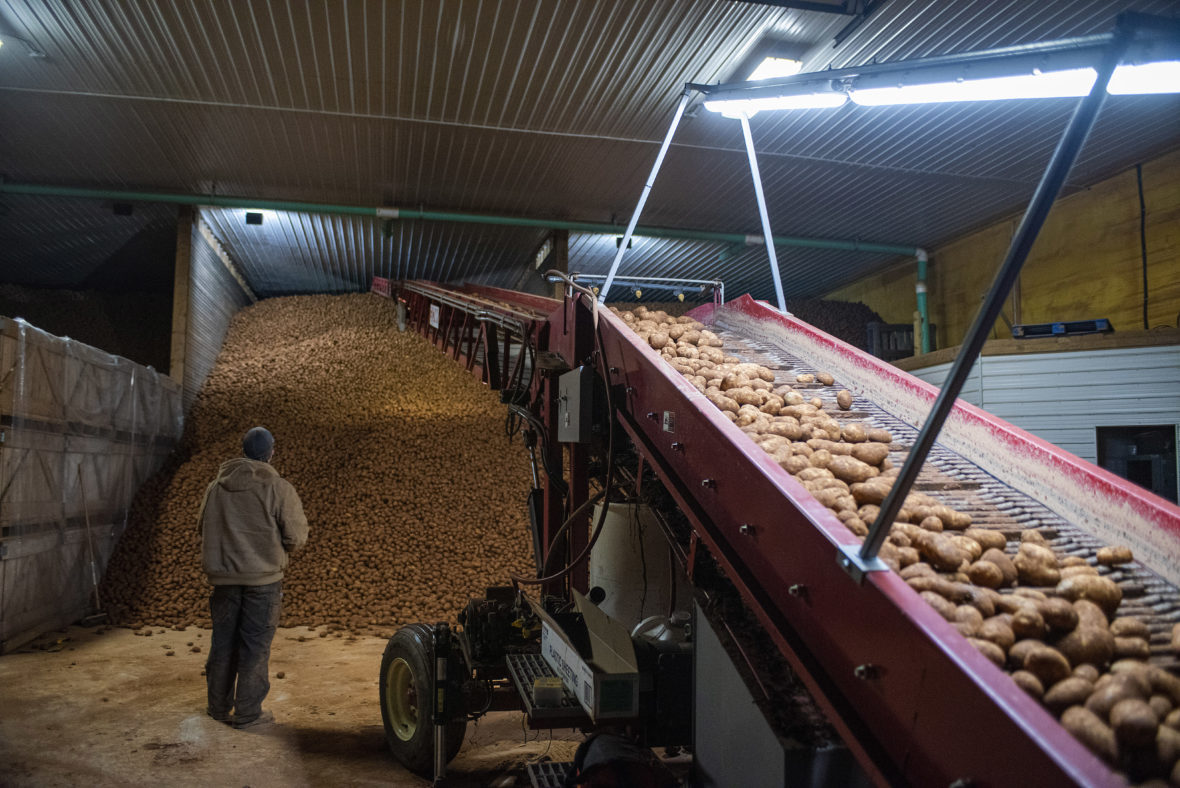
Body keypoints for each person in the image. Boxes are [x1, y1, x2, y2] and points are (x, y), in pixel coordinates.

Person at [198, 426, 308, 728]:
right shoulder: (278, 488)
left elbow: (201, 526)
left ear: (243, 450)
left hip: (223, 581)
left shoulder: (215, 487)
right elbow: (296, 537)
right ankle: (247, 713)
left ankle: (217, 707)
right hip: (263, 581)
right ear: (271, 453)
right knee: (255, 645)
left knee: (222, 642)